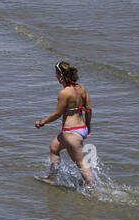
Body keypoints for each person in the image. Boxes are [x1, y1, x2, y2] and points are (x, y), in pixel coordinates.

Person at [35, 61, 95, 191]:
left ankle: (94, 191)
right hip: (81, 128)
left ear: (61, 76)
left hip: (71, 132)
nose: (55, 76)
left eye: (56, 74)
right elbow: (89, 109)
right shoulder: (82, 89)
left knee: (81, 164)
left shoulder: (64, 93)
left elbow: (57, 114)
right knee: (54, 147)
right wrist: (88, 128)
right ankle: (51, 178)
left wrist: (41, 122)